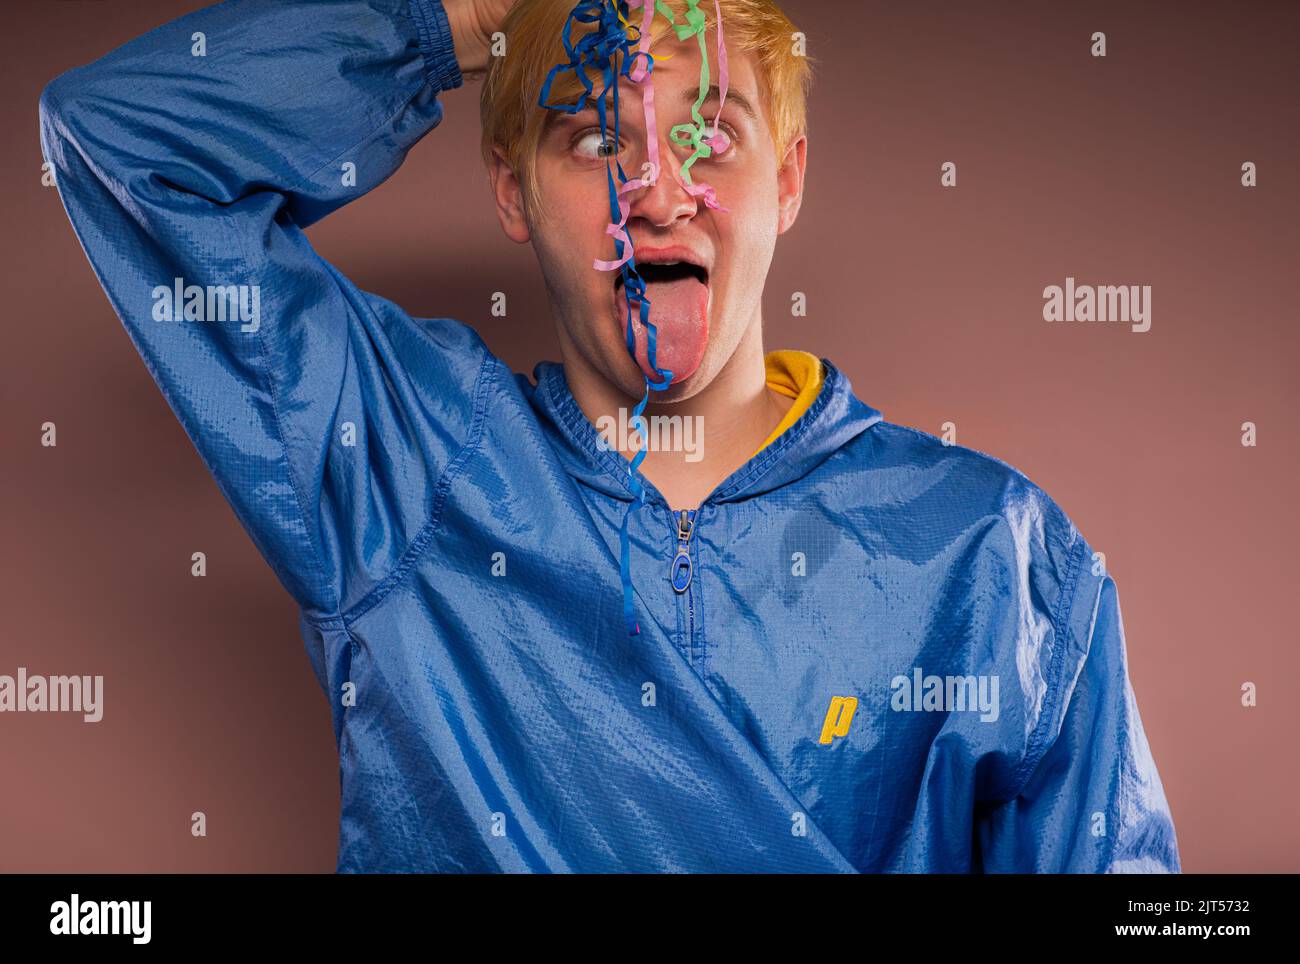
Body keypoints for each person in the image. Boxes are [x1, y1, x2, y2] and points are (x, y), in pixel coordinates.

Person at [39, 0, 1181, 872]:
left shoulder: (992, 553)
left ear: (787, 180)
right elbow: (119, 140)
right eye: (595, 143)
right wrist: (457, 23)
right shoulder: (399, 461)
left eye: (711, 139)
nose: (657, 192)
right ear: (512, 192)